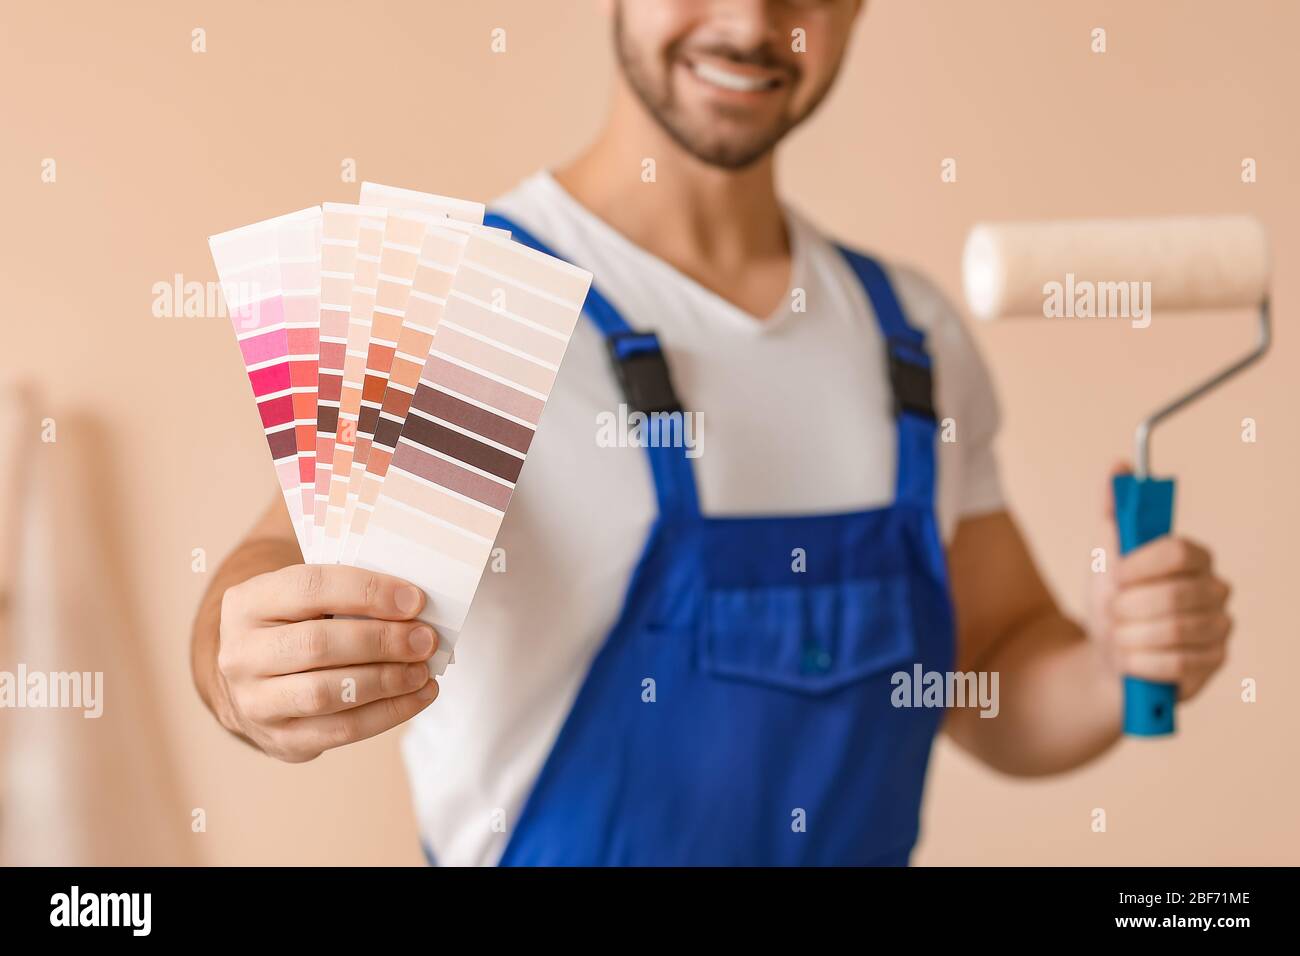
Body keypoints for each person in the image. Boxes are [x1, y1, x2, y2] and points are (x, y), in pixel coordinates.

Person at [191, 0, 1233, 865]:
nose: (749, 21)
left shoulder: (908, 335)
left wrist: (1110, 664)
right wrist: (243, 671)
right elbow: (272, 573)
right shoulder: (462, 303)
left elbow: (993, 673)